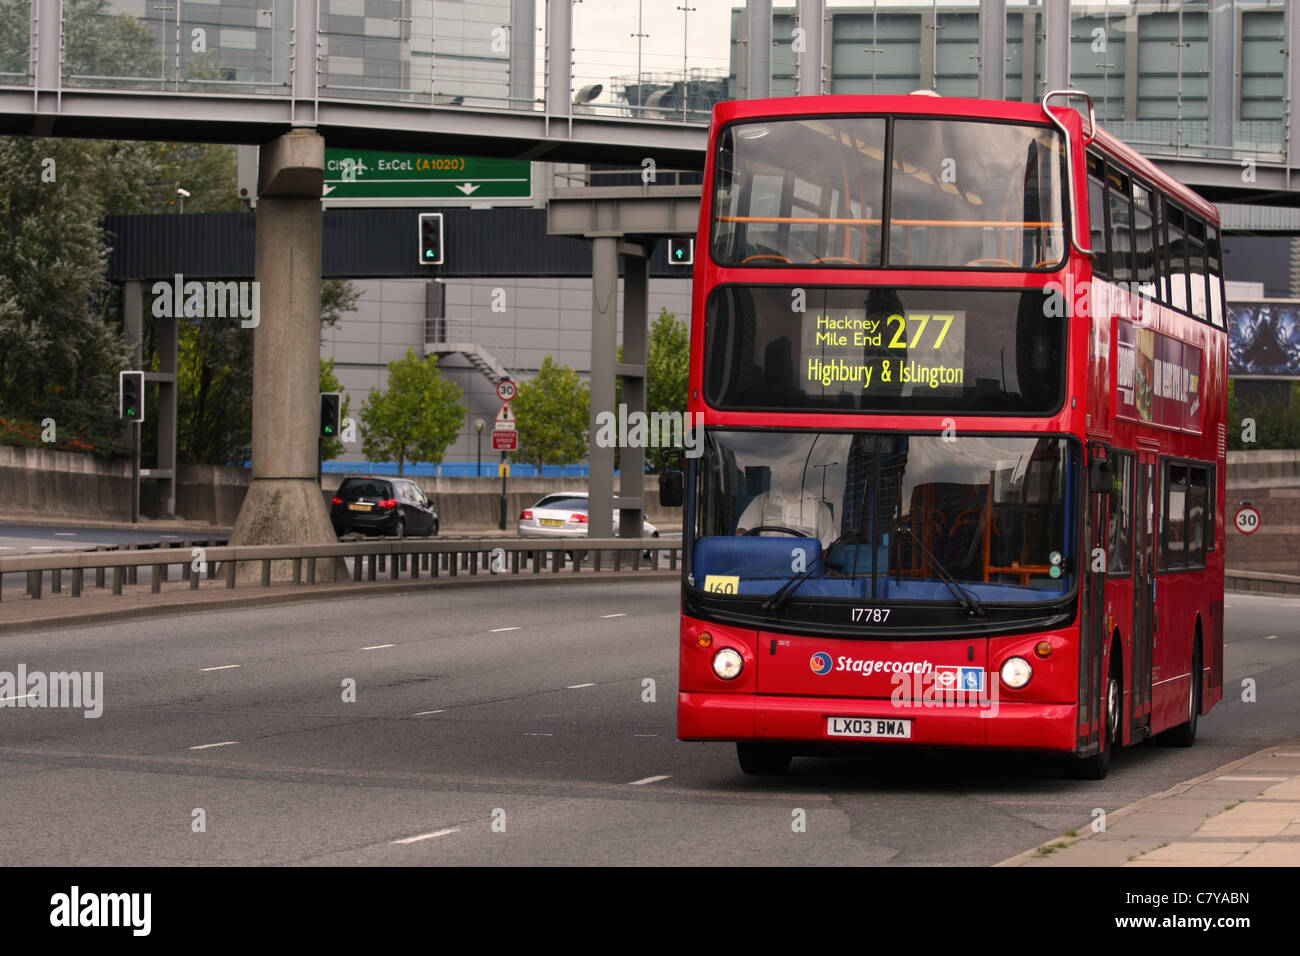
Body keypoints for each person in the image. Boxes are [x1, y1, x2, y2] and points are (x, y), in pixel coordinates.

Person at [736, 487, 836, 546]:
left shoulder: (818, 508)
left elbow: (826, 548)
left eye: (794, 466)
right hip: (763, 571)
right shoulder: (762, 501)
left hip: (804, 576)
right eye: (785, 465)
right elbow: (742, 532)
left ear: (802, 469)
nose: (789, 471)